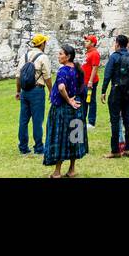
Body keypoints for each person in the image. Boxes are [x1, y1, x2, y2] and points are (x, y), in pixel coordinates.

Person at [43, 43, 88, 178]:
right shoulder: (77, 69)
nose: (59, 56)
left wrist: (68, 100)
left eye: (61, 54)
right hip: (77, 109)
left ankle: (57, 172)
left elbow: (61, 87)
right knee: (74, 138)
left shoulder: (63, 70)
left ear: (68, 56)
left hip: (63, 109)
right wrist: (74, 100)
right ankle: (72, 169)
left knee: (60, 138)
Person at [100, 34, 129, 157]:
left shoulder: (114, 57)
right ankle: (128, 149)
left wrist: (103, 90)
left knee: (115, 120)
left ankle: (115, 150)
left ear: (117, 43)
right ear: (126, 44)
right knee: (128, 119)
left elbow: (107, 75)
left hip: (116, 91)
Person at [16, 33, 51, 156]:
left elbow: (18, 76)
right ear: (42, 44)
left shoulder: (24, 56)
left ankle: (23, 147)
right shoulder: (43, 57)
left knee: (23, 120)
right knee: (37, 120)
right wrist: (51, 91)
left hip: (25, 91)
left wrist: (18, 91)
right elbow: (47, 77)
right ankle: (39, 147)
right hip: (37, 90)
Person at [82, 34, 102, 128]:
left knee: (91, 101)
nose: (85, 42)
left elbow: (95, 68)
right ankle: (83, 120)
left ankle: (91, 122)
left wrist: (90, 81)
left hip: (90, 82)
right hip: (84, 82)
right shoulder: (88, 52)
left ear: (93, 43)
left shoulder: (94, 53)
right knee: (85, 101)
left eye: (87, 41)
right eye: (85, 41)